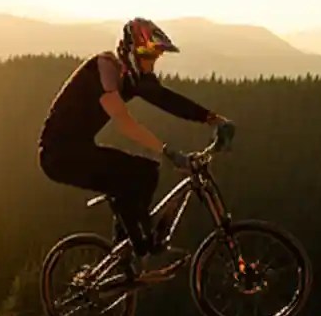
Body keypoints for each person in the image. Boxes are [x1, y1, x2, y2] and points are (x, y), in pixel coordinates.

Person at [37, 18, 232, 269]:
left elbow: (167, 100)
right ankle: (141, 246)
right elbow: (124, 122)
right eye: (149, 57)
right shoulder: (105, 69)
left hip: (78, 149)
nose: (152, 65)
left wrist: (212, 119)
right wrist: (166, 151)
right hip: (59, 154)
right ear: (132, 53)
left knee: (143, 173)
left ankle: (123, 254)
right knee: (133, 177)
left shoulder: (133, 78)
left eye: (155, 59)